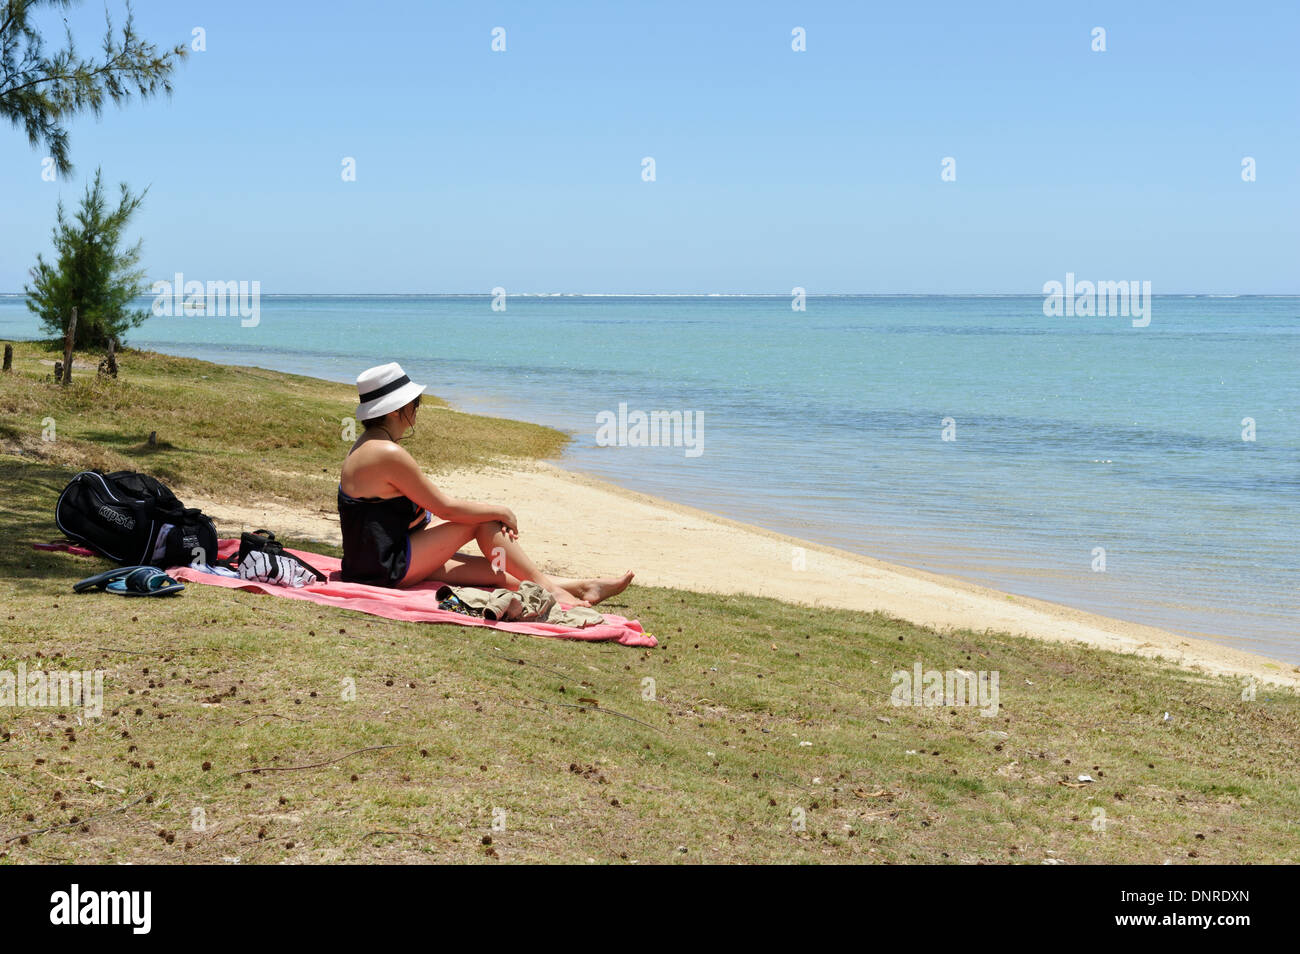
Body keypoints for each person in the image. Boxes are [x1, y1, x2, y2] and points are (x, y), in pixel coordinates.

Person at [338, 362, 633, 606]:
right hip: (387, 567)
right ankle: (552, 590)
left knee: (496, 571)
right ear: (394, 409)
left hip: (368, 565)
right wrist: (500, 511)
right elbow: (446, 509)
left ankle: (582, 587)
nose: (417, 409)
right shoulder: (387, 453)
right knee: (481, 523)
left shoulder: (366, 446)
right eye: (415, 403)